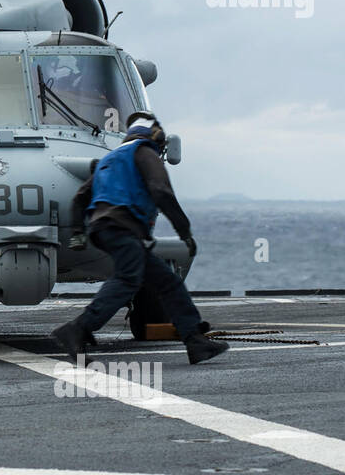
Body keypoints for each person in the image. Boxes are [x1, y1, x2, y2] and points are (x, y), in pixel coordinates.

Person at [53, 111, 228, 365]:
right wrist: (184, 231)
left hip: (105, 229)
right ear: (156, 139)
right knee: (127, 280)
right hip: (122, 227)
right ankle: (77, 329)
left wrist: (79, 233)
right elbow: (161, 190)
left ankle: (195, 341)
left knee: (168, 283)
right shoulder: (145, 152)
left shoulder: (109, 159)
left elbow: (81, 197)